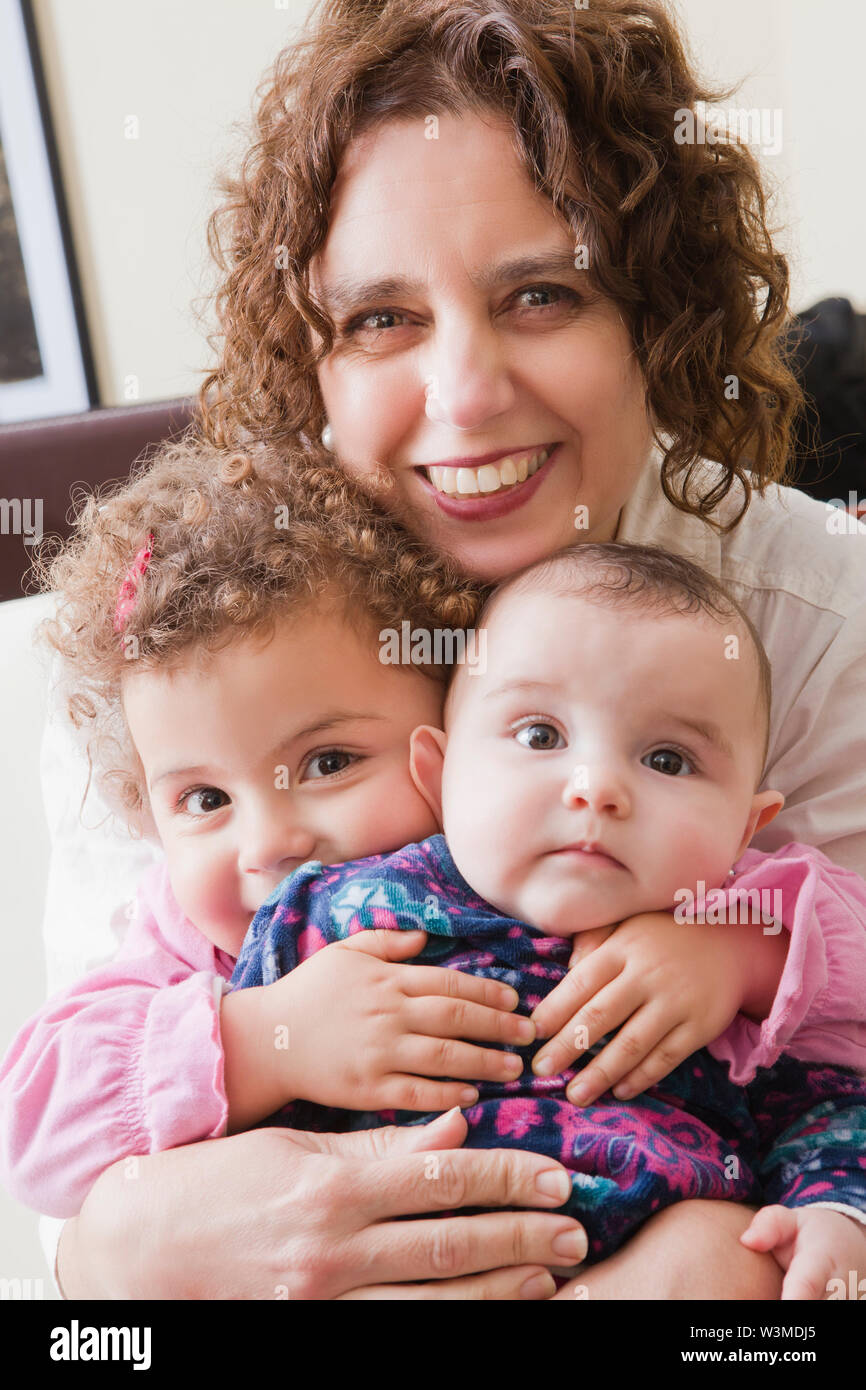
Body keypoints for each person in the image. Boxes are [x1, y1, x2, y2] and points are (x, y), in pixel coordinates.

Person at [46, 0, 866, 1298]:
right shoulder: (214, 643)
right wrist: (127, 1242)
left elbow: (836, 1086)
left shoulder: (820, 629)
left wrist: (744, 948)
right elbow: (82, 1171)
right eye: (379, 318)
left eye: (541, 292)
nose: (464, 393)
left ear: (652, 316)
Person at [10, 439, 865, 1301]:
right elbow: (36, 1125)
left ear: (442, 753)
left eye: (330, 761)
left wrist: (740, 955)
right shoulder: (208, 946)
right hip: (365, 1270)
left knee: (726, 1259)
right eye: (202, 801)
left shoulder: (686, 887)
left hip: (634, 1254)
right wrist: (265, 1040)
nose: (268, 842)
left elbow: (834, 1059)